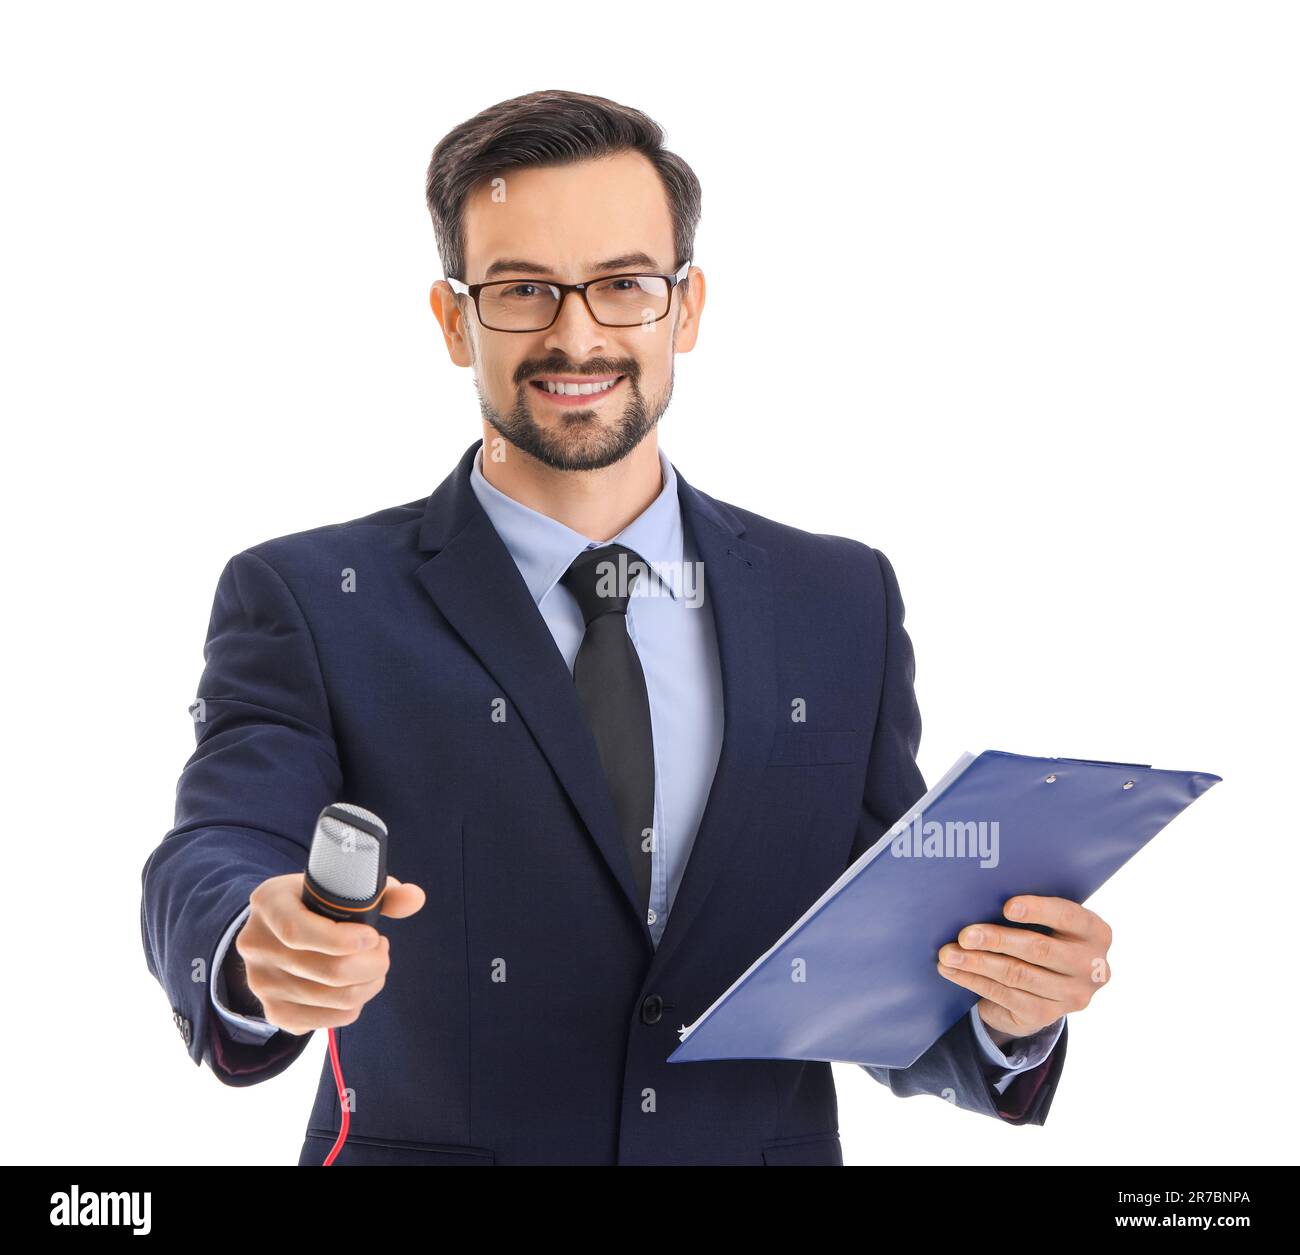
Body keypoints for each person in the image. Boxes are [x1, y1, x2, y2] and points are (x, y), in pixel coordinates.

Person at [140, 89, 1111, 1166]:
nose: (576, 334)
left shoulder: (840, 599)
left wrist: (1009, 1007)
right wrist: (250, 938)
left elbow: (875, 957)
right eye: (520, 290)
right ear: (453, 318)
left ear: (685, 307)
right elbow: (217, 845)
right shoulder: (313, 597)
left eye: (622, 284)